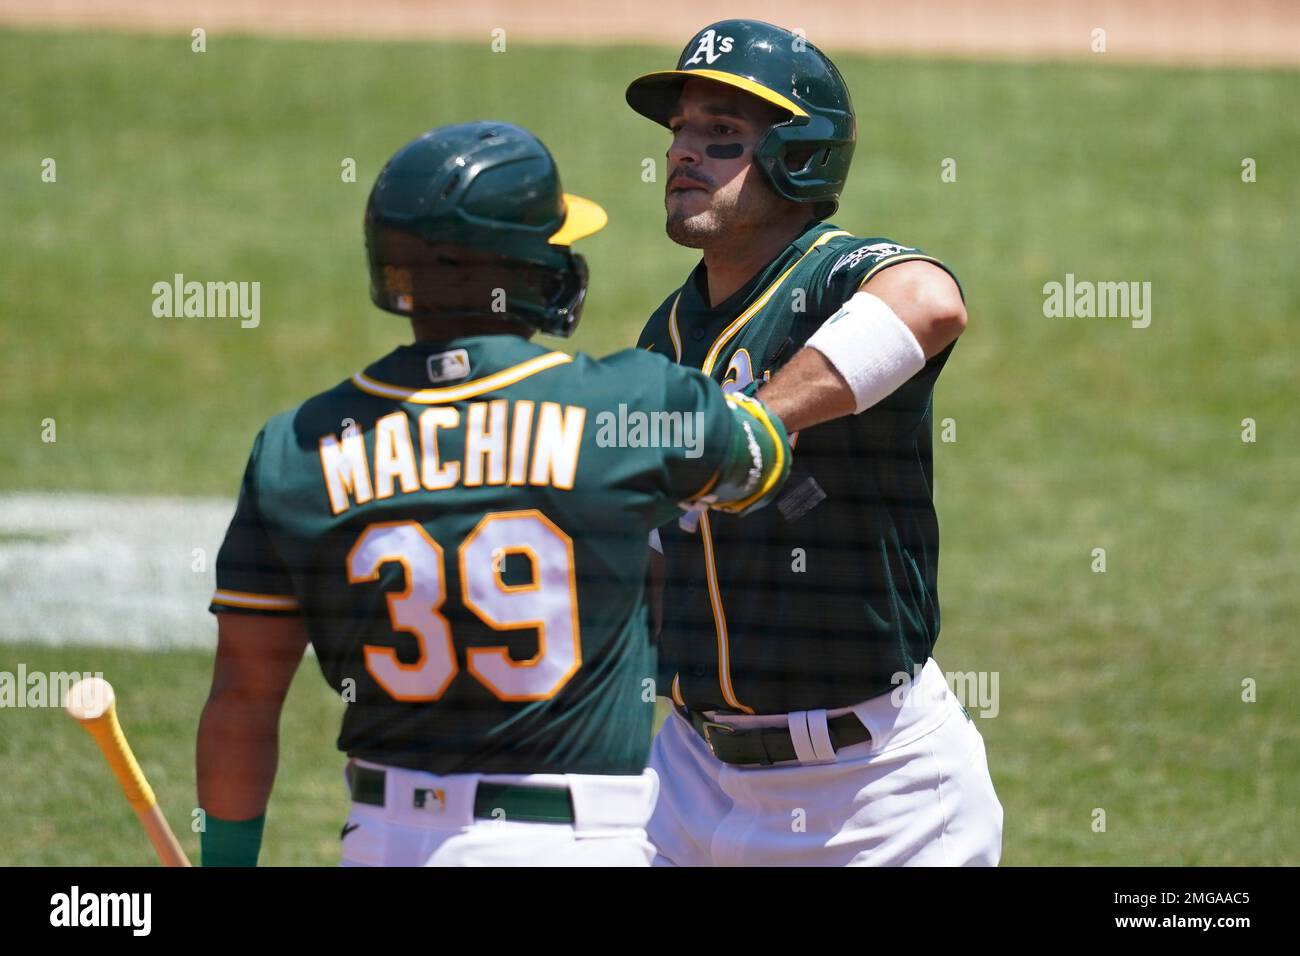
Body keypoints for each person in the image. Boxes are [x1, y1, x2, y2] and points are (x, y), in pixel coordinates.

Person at [195, 121, 791, 867]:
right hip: (573, 846)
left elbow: (245, 700)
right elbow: (763, 457)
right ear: (525, 268)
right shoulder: (630, 407)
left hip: (384, 842)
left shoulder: (296, 448)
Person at [627, 19, 1004, 865]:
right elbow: (659, 560)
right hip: (687, 779)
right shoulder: (670, 334)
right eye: (682, 131)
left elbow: (931, 300)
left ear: (801, 157)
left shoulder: (832, 275)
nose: (684, 153)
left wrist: (761, 420)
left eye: (722, 136)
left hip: (872, 796)